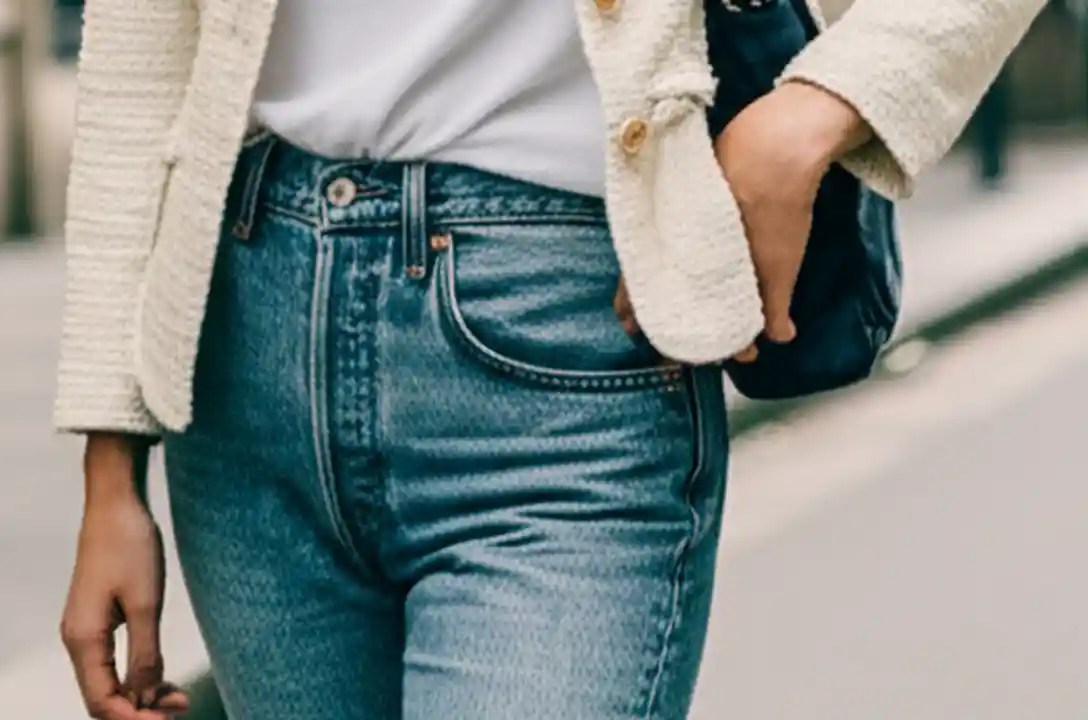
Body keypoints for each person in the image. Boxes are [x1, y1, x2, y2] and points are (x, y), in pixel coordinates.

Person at [54, 1, 1043, 718]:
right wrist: (110, 465)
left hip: (560, 342)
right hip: (245, 349)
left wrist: (824, 101)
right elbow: (141, 55)